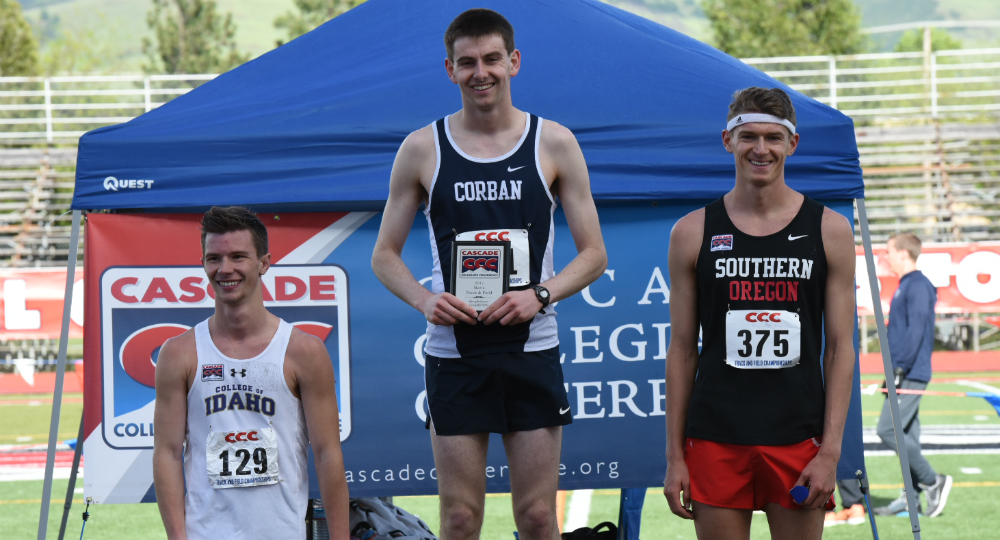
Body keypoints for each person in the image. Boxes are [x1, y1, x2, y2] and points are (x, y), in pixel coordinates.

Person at [371, 9, 606, 540]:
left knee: (539, 517)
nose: (482, 72)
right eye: (468, 62)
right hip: (455, 353)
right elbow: (384, 254)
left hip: (532, 345)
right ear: (450, 70)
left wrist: (540, 295)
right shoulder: (421, 148)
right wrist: (424, 299)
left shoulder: (554, 142)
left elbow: (594, 253)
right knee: (458, 518)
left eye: (492, 59)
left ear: (514, 62)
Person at [663, 87, 857, 540]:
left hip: (798, 438)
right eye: (749, 136)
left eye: (773, 137)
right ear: (728, 140)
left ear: (793, 144)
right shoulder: (691, 232)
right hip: (715, 437)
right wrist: (675, 456)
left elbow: (842, 348)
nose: (761, 149)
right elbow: (681, 349)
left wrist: (830, 452)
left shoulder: (829, 229)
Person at [153, 206, 350, 540]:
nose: (225, 269)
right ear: (203, 263)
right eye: (213, 258)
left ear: (264, 263)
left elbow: (327, 453)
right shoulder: (178, 353)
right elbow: (167, 453)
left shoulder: (303, 351)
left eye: (238, 256)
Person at [871, 232, 953, 518]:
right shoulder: (906, 285)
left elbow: (916, 331)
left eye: (889, 251)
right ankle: (911, 498)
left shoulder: (918, 285)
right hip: (902, 370)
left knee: (887, 429)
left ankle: (933, 481)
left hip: (910, 372)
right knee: (907, 434)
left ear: (904, 254)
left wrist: (900, 368)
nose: (886, 256)